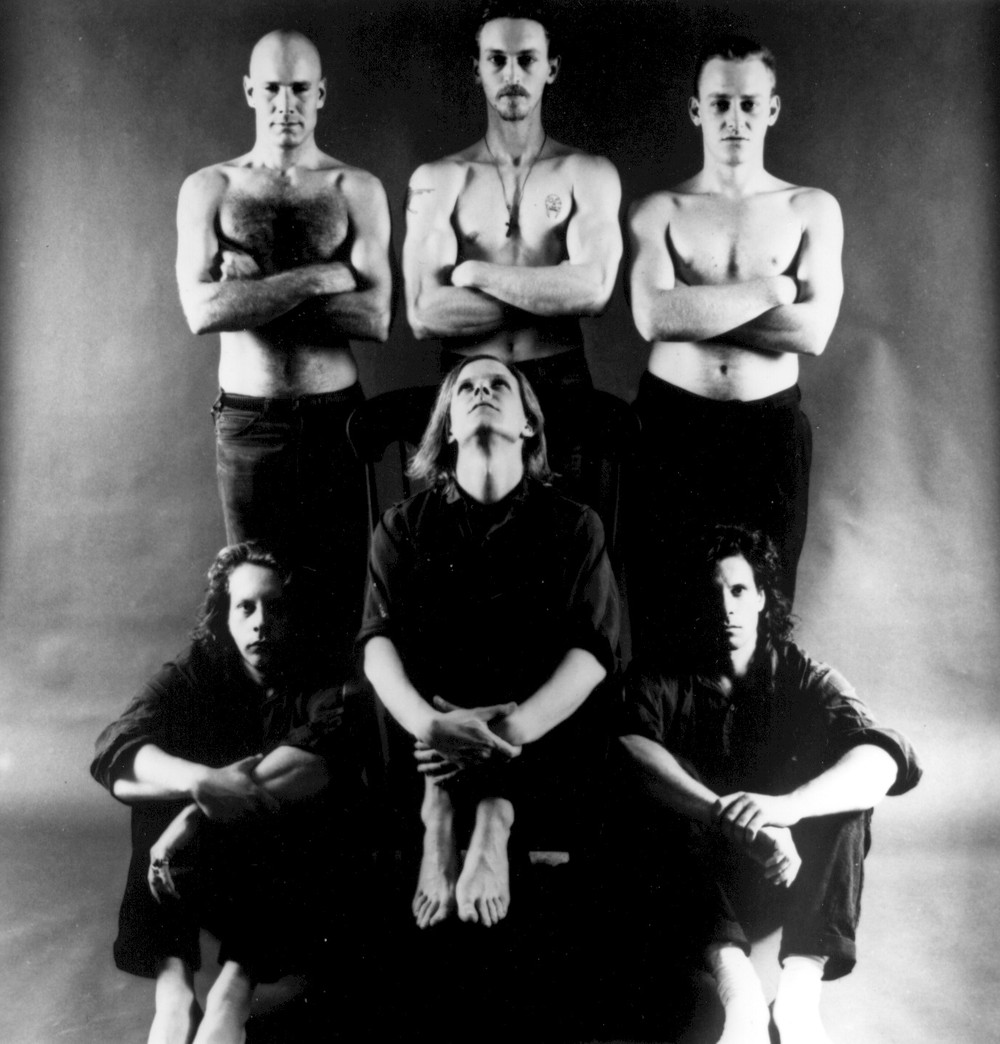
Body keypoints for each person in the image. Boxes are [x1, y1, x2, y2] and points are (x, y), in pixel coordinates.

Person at [618, 526, 921, 1044]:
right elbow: (629, 747)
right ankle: (741, 999)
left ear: (761, 597)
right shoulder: (661, 676)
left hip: (782, 876)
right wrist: (731, 817)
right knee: (666, 782)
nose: (726, 608)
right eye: (712, 593)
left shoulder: (804, 675)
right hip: (693, 889)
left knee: (847, 795)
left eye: (739, 590)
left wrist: (787, 808)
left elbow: (885, 757)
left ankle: (798, 1002)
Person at [360, 355, 619, 931]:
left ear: (528, 424)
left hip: (532, 737)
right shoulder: (402, 526)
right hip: (427, 739)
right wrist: (430, 725)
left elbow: (594, 650)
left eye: (499, 384)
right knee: (399, 645)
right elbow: (375, 642)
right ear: (449, 428)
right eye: (466, 388)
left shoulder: (576, 525)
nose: (481, 390)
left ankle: (495, 817)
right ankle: (439, 816)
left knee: (552, 647)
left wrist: (511, 731)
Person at [91, 543, 363, 1044]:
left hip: (287, 878)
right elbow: (116, 749)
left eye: (275, 608)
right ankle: (174, 991)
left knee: (296, 806)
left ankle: (232, 993)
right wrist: (197, 780)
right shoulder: (201, 666)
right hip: (205, 867)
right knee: (156, 790)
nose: (260, 623)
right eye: (246, 607)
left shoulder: (321, 674)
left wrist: (196, 811)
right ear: (225, 615)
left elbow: (325, 757)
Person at [175, 29, 392, 652]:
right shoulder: (211, 188)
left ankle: (334, 718)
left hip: (336, 419)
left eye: (300, 88)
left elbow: (375, 316)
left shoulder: (354, 189)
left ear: (321, 93)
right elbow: (202, 311)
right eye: (271, 88)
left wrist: (251, 294)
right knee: (257, 602)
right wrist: (320, 277)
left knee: (343, 599)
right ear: (250, 91)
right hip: (250, 423)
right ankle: (271, 717)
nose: (285, 104)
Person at [627, 34, 844, 646]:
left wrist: (694, 308)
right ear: (696, 109)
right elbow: (652, 318)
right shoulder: (659, 209)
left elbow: (813, 330)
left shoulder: (810, 208)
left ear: (771, 109)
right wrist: (770, 290)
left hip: (767, 430)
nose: (735, 119)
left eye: (749, 104)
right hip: (671, 425)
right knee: (662, 604)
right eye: (720, 104)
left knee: (764, 615)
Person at [402, 2, 622, 489]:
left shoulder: (587, 173)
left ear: (551, 68)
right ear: (477, 69)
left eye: (527, 59)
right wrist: (552, 294)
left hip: (560, 382)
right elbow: (424, 313)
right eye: (497, 60)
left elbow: (593, 291)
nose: (512, 74)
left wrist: (477, 275)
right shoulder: (439, 179)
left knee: (566, 529)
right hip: (468, 382)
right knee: (466, 530)